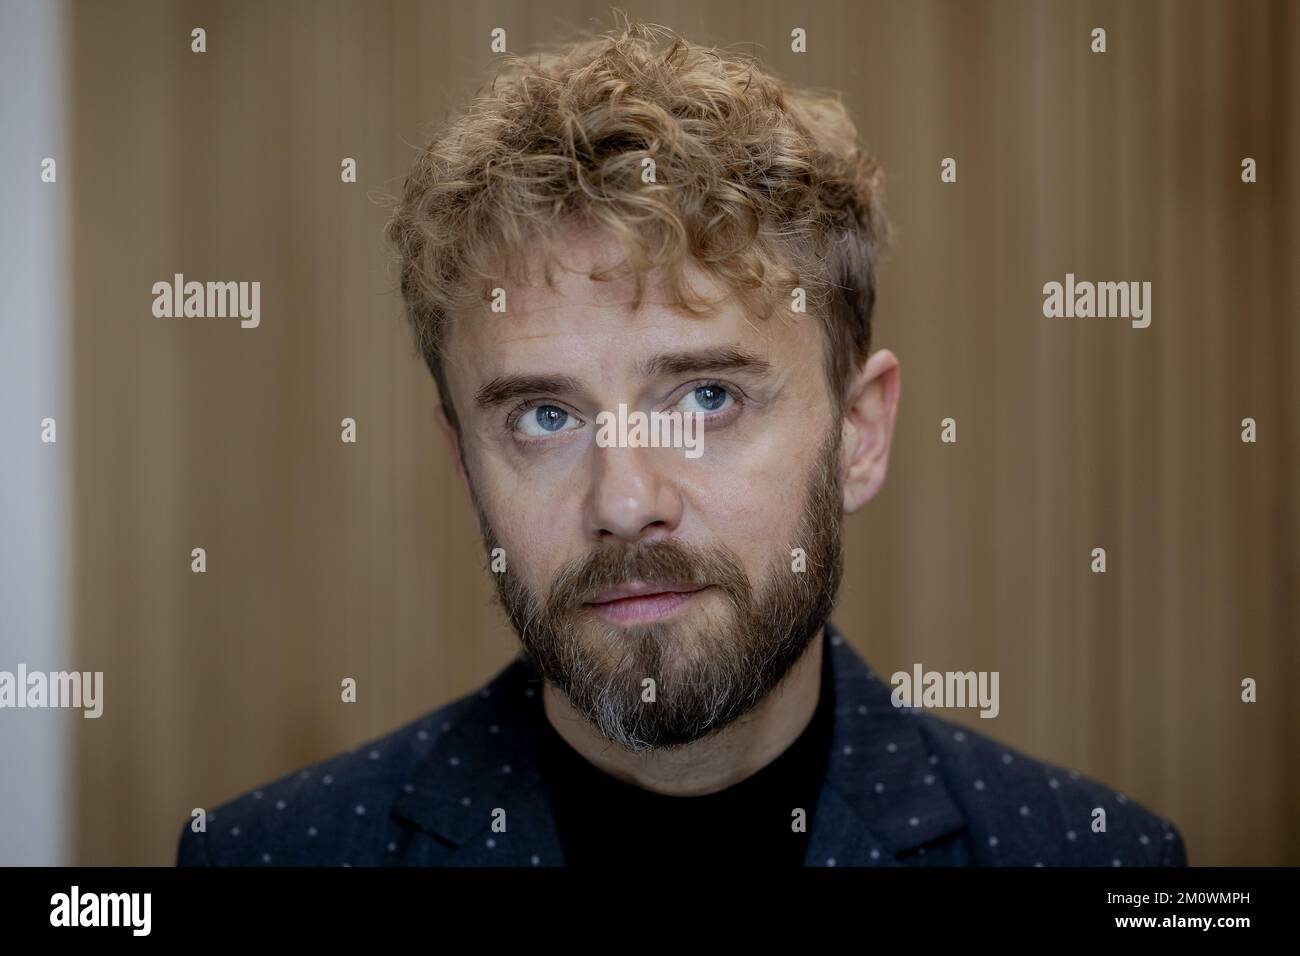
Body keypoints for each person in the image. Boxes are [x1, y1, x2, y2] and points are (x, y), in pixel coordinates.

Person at [177, 18, 1185, 868]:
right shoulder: (271, 852)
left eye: (705, 396)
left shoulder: (1089, 856)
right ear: (464, 462)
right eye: (543, 415)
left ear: (860, 434)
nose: (624, 500)